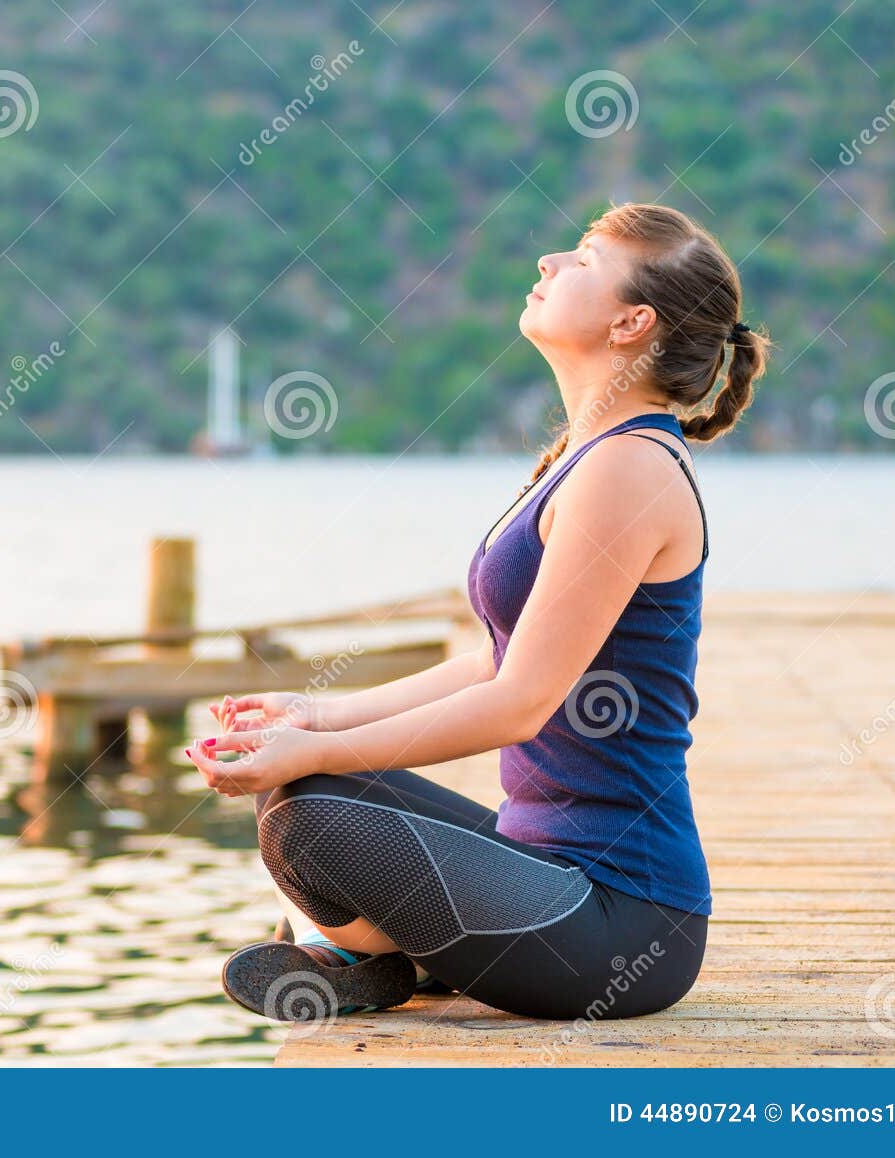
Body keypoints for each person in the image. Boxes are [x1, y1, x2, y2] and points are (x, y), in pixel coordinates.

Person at [186, 202, 771, 1023]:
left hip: (620, 923)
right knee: (298, 788)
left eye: (586, 260)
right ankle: (378, 957)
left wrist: (307, 748)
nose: (549, 261)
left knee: (308, 812)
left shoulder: (629, 470)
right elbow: (500, 659)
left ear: (632, 322)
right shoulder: (586, 457)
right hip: (539, 869)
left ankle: (369, 952)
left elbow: (521, 702)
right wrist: (314, 715)